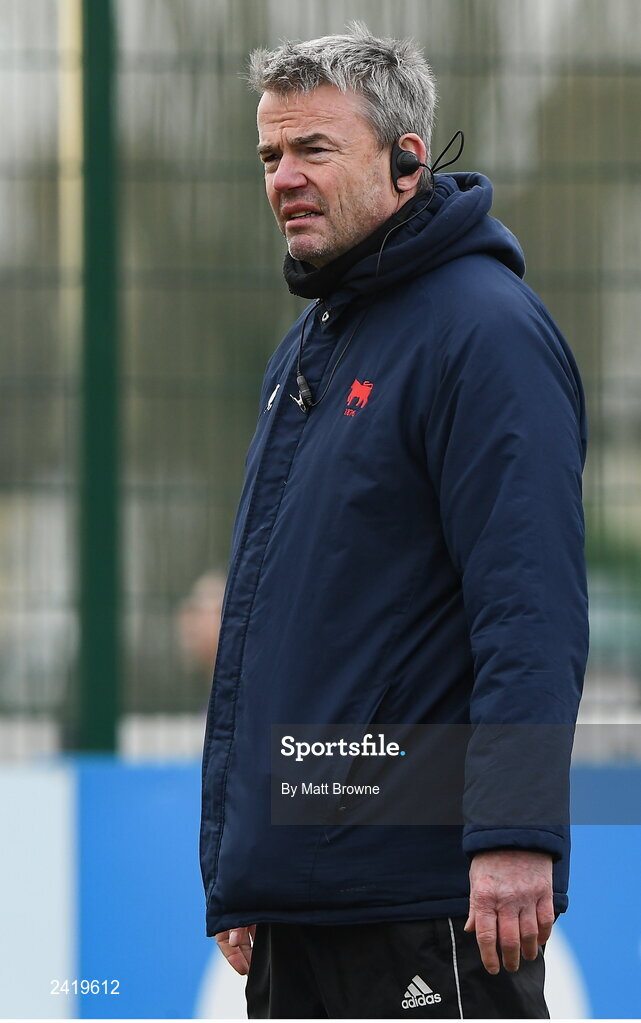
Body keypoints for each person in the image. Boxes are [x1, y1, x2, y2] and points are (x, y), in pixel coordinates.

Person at [199, 22, 588, 1019]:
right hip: (307, 901)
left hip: (425, 904)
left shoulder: (481, 333)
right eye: (269, 154)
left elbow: (528, 607)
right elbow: (271, 628)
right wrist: (249, 866)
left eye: (312, 149)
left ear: (406, 161)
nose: (282, 176)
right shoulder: (310, 350)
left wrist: (512, 835)